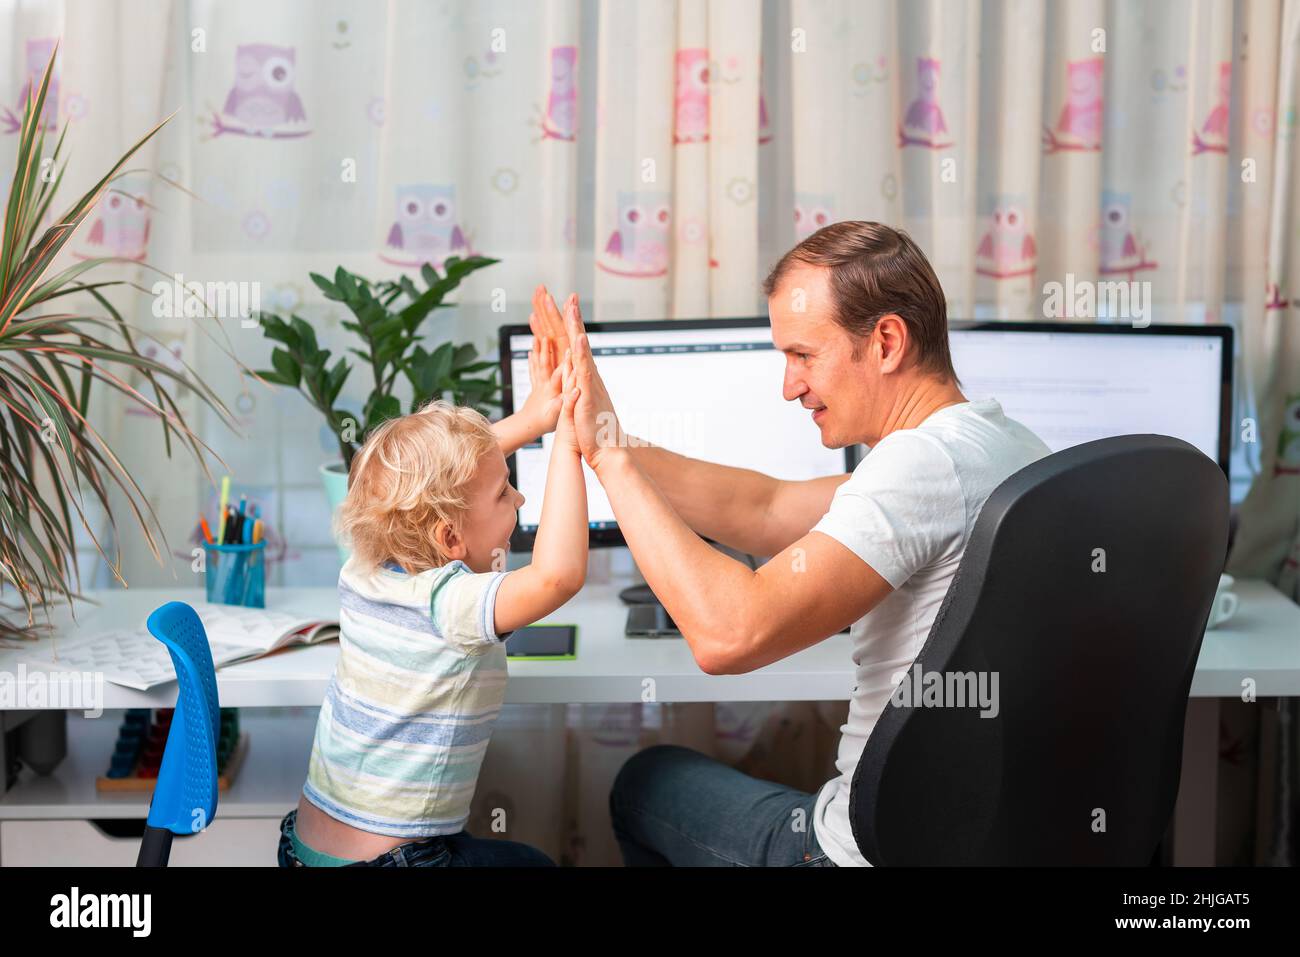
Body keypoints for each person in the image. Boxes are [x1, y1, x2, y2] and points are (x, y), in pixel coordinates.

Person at [541, 221, 1051, 866]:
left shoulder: (921, 465)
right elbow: (765, 508)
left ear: (887, 342)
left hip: (861, 856)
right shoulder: (1003, 444)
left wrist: (610, 462)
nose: (790, 386)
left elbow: (729, 637)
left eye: (804, 355)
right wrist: (604, 433)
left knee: (644, 782)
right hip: (985, 841)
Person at [278, 293, 588, 867]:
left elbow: (428, 483)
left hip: (304, 850)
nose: (519, 499)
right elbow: (558, 576)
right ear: (449, 538)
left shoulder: (363, 567)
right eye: (505, 494)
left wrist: (533, 418)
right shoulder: (451, 603)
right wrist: (568, 441)